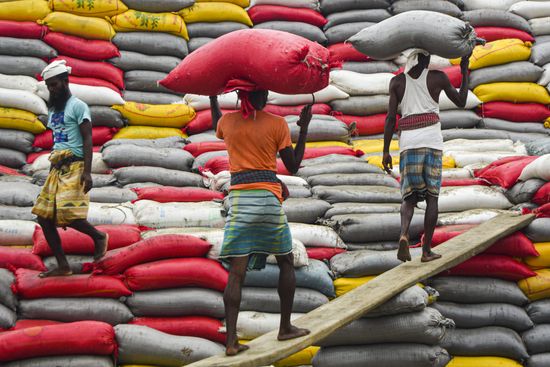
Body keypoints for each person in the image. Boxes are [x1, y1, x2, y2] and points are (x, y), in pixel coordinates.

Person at [210, 90, 312, 356]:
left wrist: (212, 98)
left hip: (241, 202)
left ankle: (231, 342)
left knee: (236, 272)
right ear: (262, 95)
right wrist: (304, 128)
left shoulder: (228, 123)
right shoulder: (277, 124)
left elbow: (217, 125)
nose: (266, 93)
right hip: (268, 200)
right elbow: (294, 165)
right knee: (286, 260)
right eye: (264, 90)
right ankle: (285, 327)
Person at [383, 50, 471, 263]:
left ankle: (404, 233)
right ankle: (426, 251)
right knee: (432, 198)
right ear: (424, 59)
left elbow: (389, 118)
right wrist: (464, 70)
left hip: (408, 144)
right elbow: (460, 101)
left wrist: (386, 151)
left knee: (409, 197)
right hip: (431, 141)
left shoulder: (396, 82)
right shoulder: (437, 77)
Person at [31, 60, 108, 277]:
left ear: (65, 82)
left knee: (68, 214)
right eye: (48, 86)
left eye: (54, 85)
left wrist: (87, 171)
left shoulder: (78, 106)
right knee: (44, 217)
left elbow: (87, 138)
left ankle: (99, 237)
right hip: (57, 168)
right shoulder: (54, 109)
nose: (51, 89)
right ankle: (63, 266)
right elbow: (57, 140)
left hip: (76, 165)